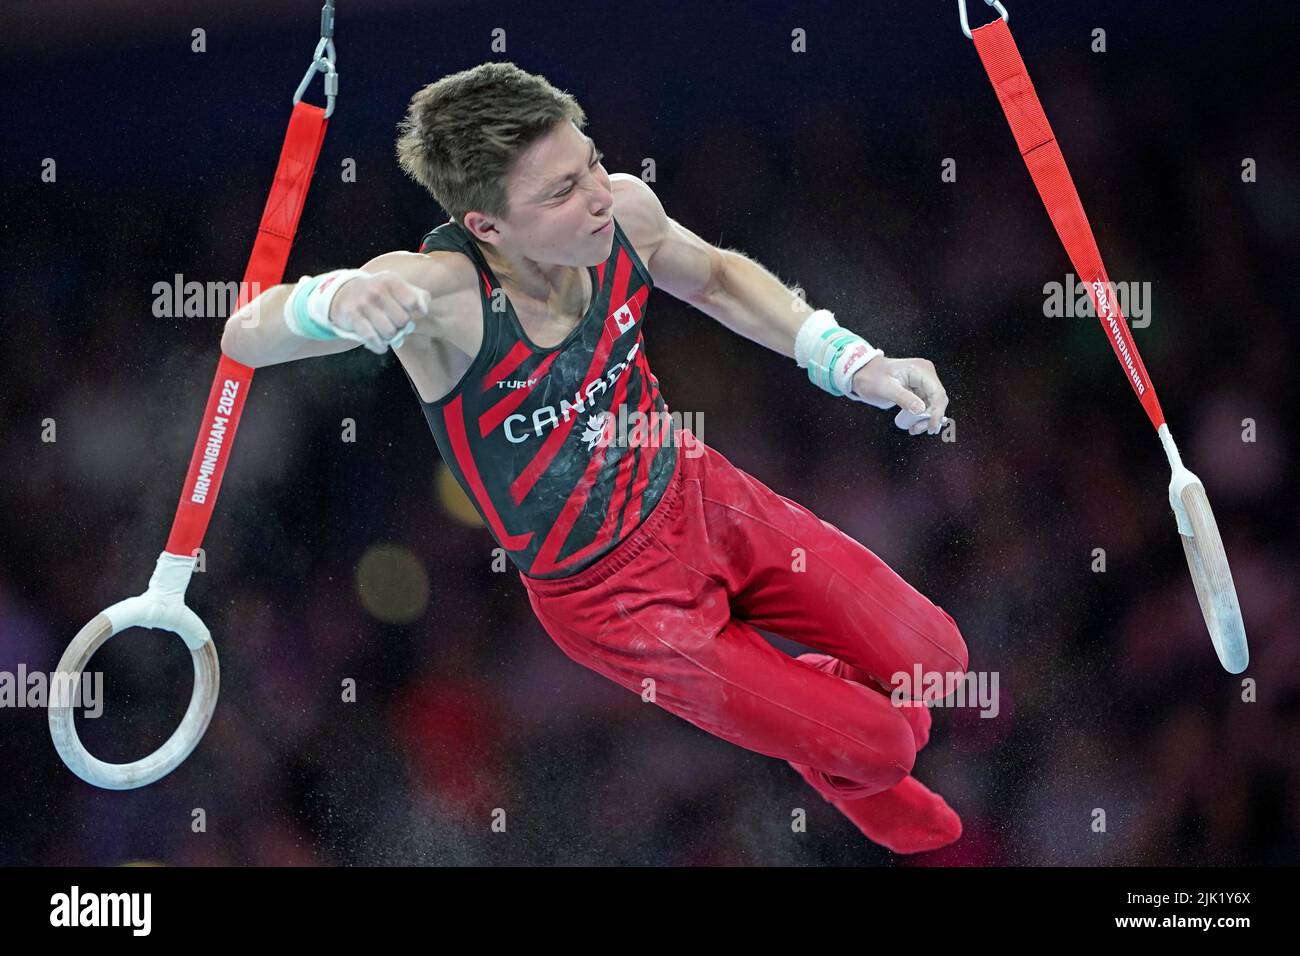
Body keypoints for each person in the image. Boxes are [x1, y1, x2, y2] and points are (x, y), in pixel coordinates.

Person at [222, 61, 967, 855]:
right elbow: (244, 333)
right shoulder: (439, 294)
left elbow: (716, 279)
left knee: (940, 665)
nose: (599, 197)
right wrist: (329, 300)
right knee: (887, 744)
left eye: (589, 164)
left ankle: (832, 732)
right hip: (614, 600)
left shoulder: (627, 214)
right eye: (560, 194)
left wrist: (856, 364)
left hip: (699, 494)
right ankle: (844, 750)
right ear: (487, 227)